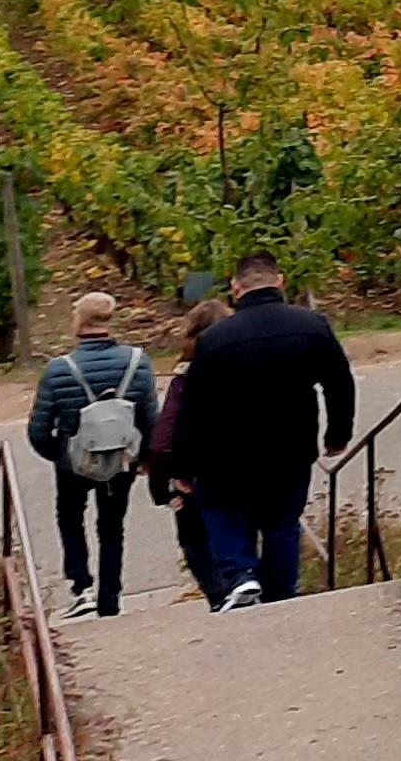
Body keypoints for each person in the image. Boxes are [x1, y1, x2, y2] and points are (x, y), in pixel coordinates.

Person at [165, 253, 355, 607]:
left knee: (222, 510)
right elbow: (339, 383)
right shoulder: (312, 325)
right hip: (290, 446)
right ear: (280, 281)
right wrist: (337, 435)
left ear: (237, 288)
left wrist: (183, 466)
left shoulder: (216, 339)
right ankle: (283, 594)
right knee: (282, 520)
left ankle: (241, 575)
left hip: (227, 452)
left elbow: (194, 406)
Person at [25, 292, 158, 619]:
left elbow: (39, 431)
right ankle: (110, 598)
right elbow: (151, 418)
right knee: (112, 526)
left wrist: (61, 455)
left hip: (75, 462)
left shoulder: (58, 370)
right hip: (121, 459)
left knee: (70, 518)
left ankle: (81, 587)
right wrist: (144, 457)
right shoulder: (138, 362)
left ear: (79, 322)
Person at [145, 296, 234, 608]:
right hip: (248, 465)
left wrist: (162, 489)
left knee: (195, 537)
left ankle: (220, 596)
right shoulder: (246, 367)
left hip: (197, 475)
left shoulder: (185, 378)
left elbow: (162, 444)